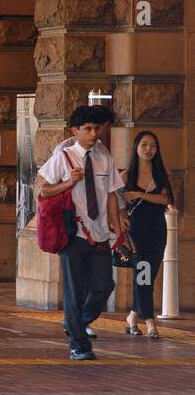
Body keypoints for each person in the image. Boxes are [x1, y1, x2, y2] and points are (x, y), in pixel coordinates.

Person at [35, 105, 126, 360]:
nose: (93, 133)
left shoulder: (104, 156)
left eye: (96, 128)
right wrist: (69, 181)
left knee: (103, 286)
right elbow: (44, 191)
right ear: (75, 130)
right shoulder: (63, 157)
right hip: (73, 233)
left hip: (99, 234)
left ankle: (78, 321)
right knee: (74, 289)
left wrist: (118, 232)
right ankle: (79, 343)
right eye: (87, 129)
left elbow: (110, 195)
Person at [121, 131, 170, 340]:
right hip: (136, 233)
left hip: (158, 230)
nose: (148, 149)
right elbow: (119, 205)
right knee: (143, 275)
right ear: (136, 148)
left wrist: (140, 194)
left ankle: (132, 316)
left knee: (149, 276)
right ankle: (150, 322)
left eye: (153, 145)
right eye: (144, 145)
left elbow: (166, 200)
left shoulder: (161, 173)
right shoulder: (126, 175)